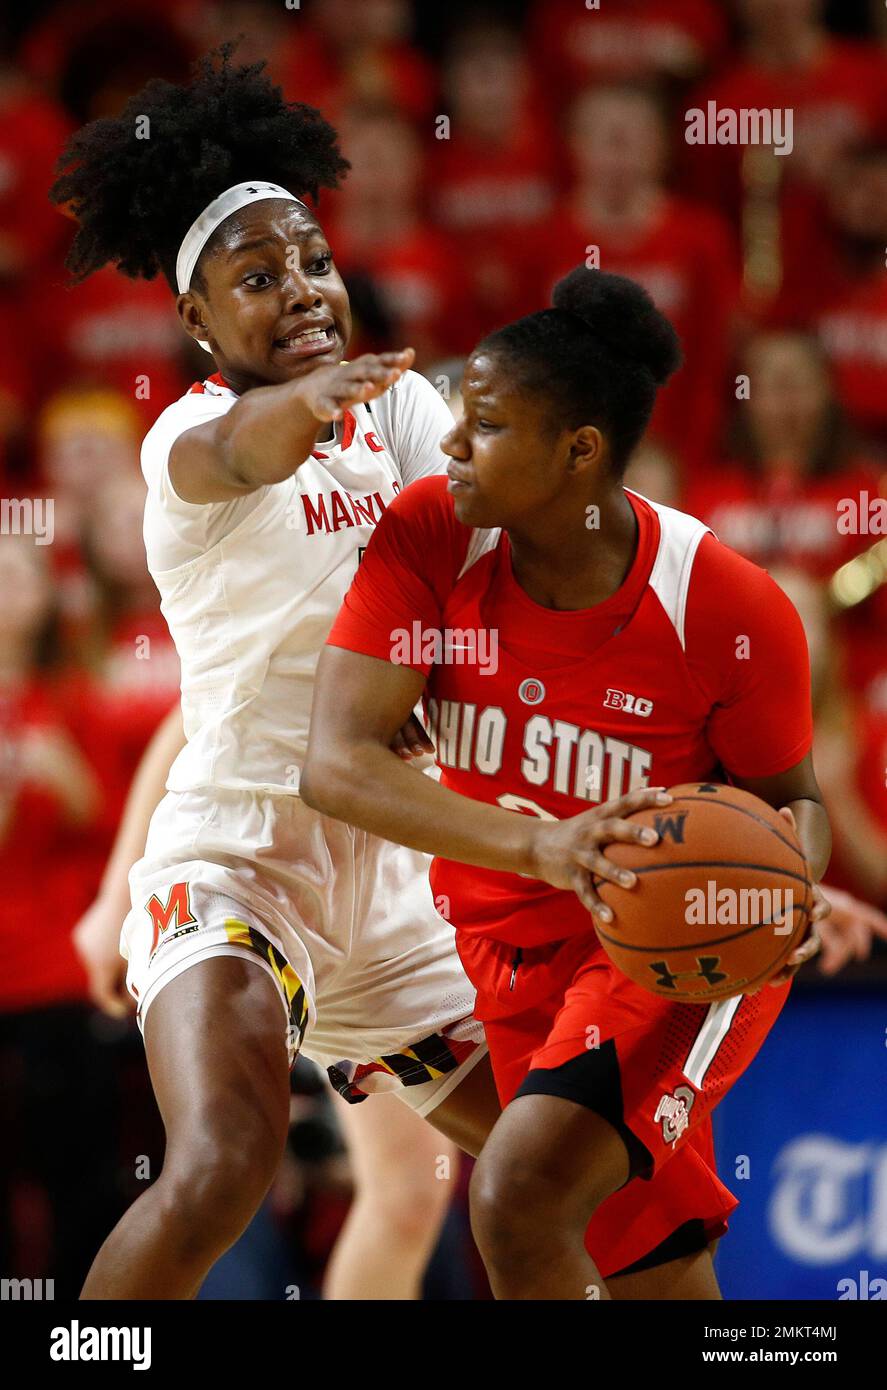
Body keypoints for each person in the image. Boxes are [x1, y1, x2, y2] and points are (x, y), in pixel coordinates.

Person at [57, 47, 749, 1302]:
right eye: (255, 279)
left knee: (613, 1178)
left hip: (403, 896)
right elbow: (249, 446)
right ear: (197, 321)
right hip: (240, 859)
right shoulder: (185, 446)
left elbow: (536, 523)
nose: (303, 288)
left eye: (312, 260)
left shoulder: (405, 417)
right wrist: (307, 400)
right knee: (223, 1161)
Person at [301, 267, 832, 1299]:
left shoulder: (722, 601)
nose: (449, 445)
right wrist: (543, 848)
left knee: (514, 1194)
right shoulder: (429, 531)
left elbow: (790, 800)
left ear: (578, 449)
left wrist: (784, 883)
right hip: (499, 944)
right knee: (646, 1265)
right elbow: (336, 763)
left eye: (484, 425)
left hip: (661, 944)